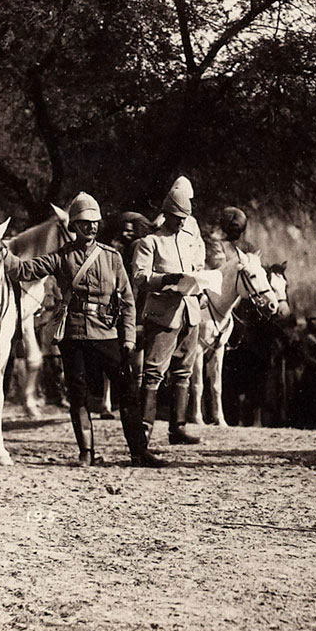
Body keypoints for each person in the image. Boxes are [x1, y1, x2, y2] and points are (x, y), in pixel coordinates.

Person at [3, 193, 162, 467]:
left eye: (95, 222)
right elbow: (25, 270)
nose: (91, 227)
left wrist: (128, 337)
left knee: (127, 391)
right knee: (78, 395)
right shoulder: (61, 257)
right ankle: (86, 452)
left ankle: (139, 452)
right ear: (74, 226)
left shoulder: (112, 258)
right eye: (85, 223)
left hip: (107, 334)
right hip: (74, 335)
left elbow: (127, 301)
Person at [132, 182, 206, 449]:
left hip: (190, 312)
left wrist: (200, 283)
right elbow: (139, 276)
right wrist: (165, 279)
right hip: (163, 315)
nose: (181, 223)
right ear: (166, 215)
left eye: (184, 218)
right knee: (153, 372)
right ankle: (144, 432)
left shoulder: (189, 240)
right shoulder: (150, 242)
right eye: (177, 218)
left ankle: (178, 428)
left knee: (184, 371)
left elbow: (198, 266)